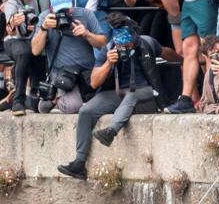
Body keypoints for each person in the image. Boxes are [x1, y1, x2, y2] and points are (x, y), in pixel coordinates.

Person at [57, 14, 161, 181]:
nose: (124, 48)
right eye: (120, 45)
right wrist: (108, 63)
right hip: (120, 92)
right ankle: (79, 163)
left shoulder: (146, 43)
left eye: (127, 45)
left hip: (146, 93)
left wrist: (184, 60)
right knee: (86, 111)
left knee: (131, 96)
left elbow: (167, 53)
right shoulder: (108, 49)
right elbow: (94, 82)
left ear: (134, 38)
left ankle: (111, 131)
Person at [30, 0, 107, 114]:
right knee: (73, 107)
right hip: (62, 74)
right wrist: (44, 29)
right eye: (60, 10)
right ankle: (56, 99)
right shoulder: (45, 17)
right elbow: (35, 51)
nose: (64, 13)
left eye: (67, 9)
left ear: (72, 5)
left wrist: (87, 34)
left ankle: (57, 99)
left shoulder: (86, 14)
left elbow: (102, 43)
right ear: (51, 8)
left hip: (86, 72)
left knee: (98, 105)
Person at [2, 0, 52, 116]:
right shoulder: (12, 2)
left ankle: (26, 99)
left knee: (39, 103)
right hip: (16, 41)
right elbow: (9, 30)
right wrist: (14, 23)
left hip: (38, 41)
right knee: (24, 52)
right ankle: (18, 100)